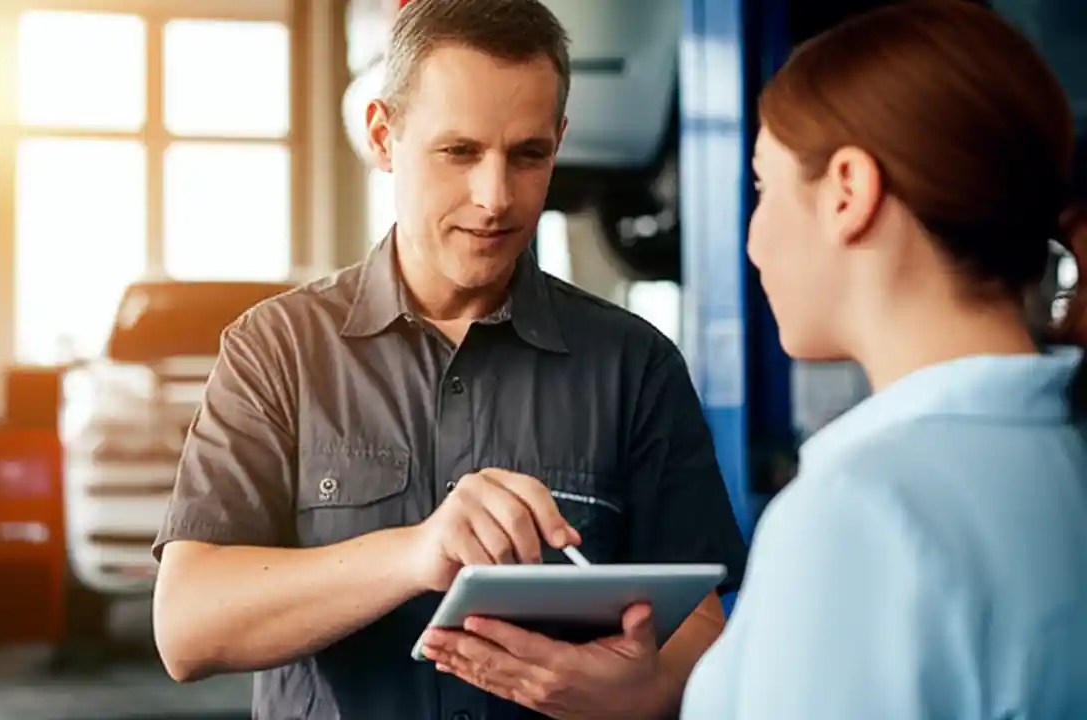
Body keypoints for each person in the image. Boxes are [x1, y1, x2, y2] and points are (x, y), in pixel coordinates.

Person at [150, 1, 748, 718]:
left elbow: (700, 625)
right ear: (384, 136)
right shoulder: (277, 352)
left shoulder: (636, 367)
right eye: (459, 152)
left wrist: (639, 692)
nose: (495, 199)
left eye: (528, 155)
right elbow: (187, 628)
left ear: (559, 141)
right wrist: (412, 554)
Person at [678, 2, 1087, 718]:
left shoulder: (857, 513)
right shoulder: (1064, 453)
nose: (753, 241)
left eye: (764, 187)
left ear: (848, 192)